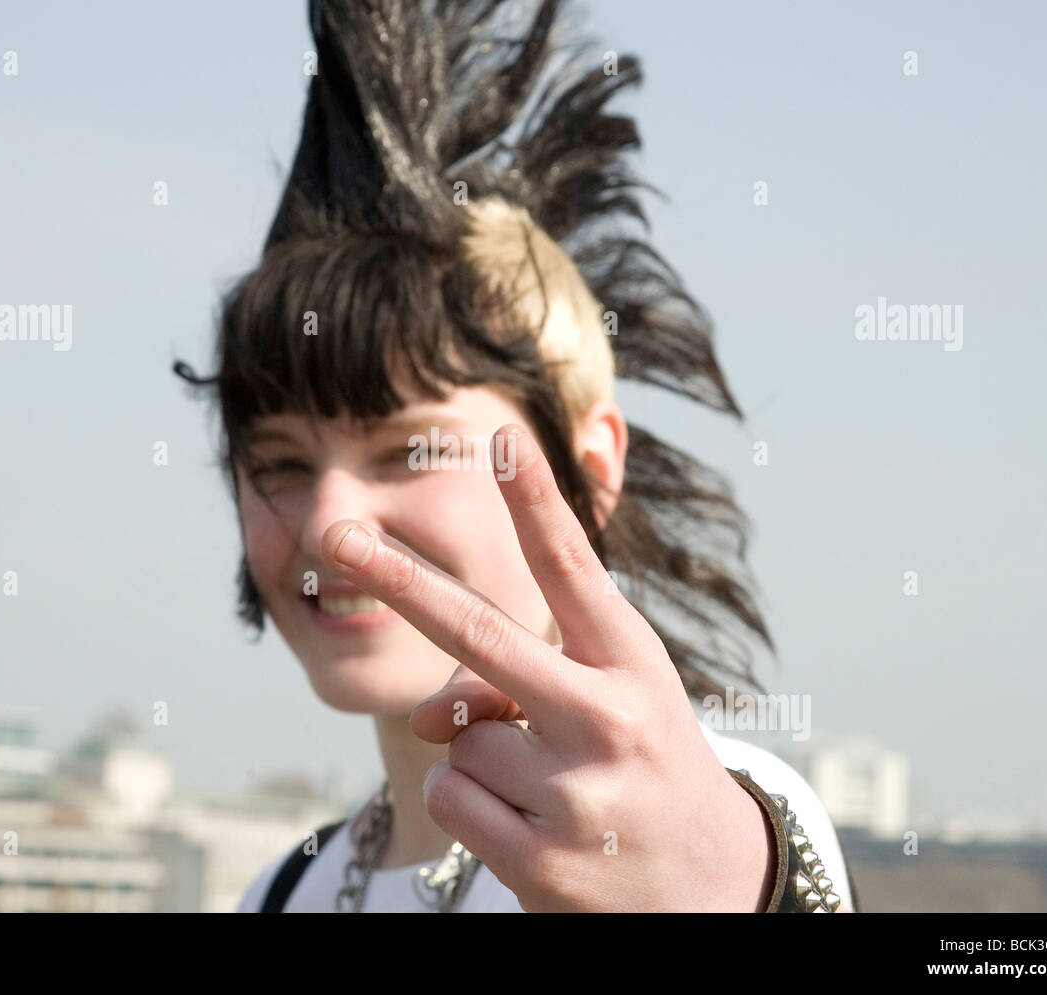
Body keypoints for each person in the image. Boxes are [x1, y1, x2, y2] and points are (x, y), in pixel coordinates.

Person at [175, 0, 857, 913]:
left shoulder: (710, 811)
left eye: (407, 449)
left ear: (591, 466)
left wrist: (731, 885)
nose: (331, 525)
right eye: (281, 462)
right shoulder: (285, 885)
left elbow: (731, 869)